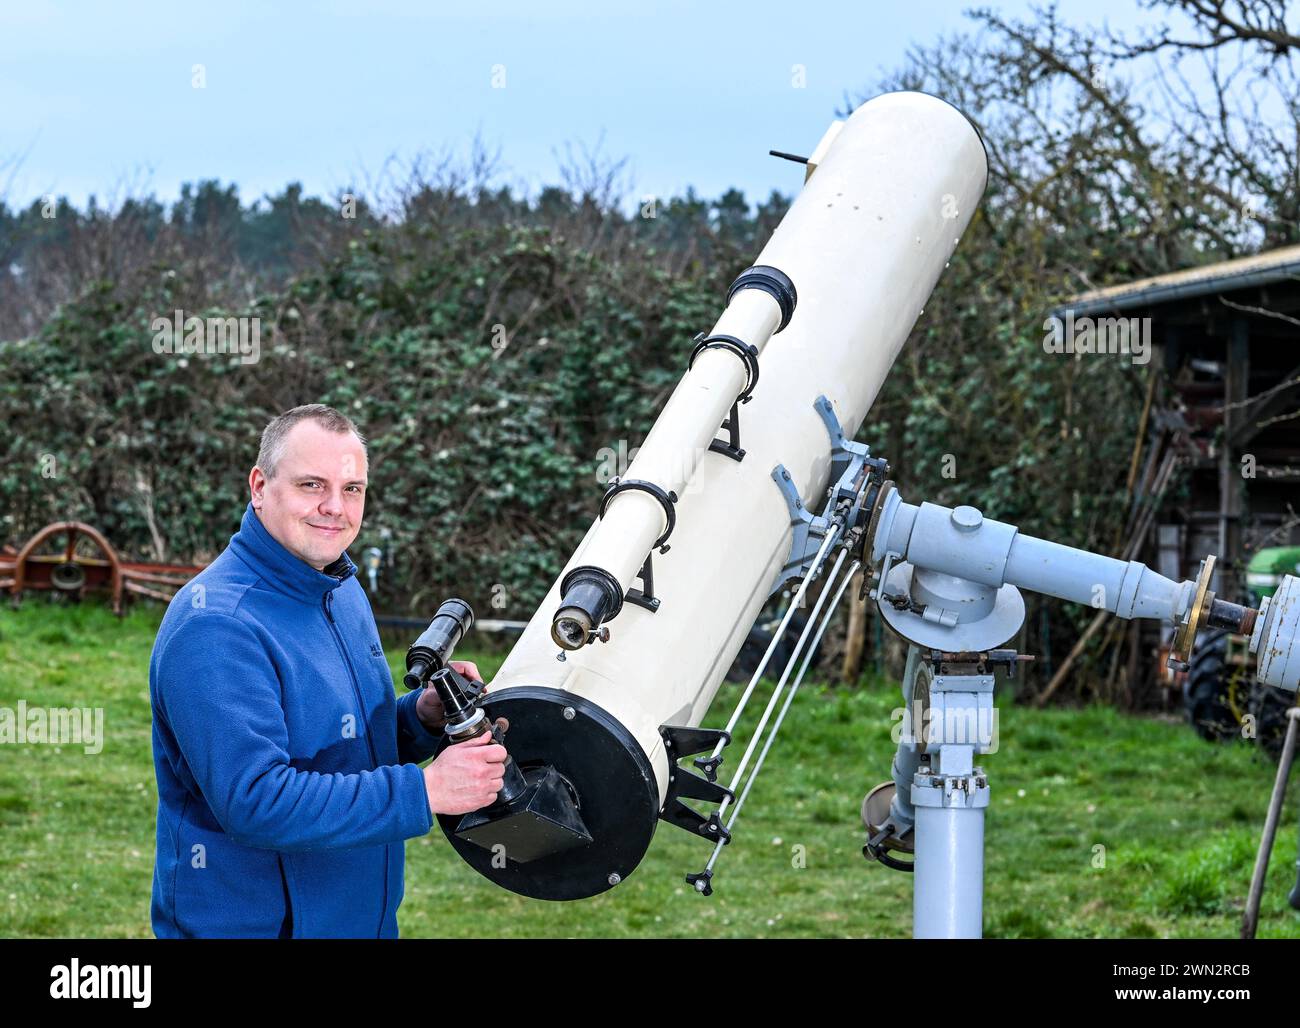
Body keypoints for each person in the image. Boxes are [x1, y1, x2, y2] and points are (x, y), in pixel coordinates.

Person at [149, 403, 506, 937]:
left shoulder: (339, 586)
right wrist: (424, 791)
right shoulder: (217, 625)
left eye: (352, 489)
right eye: (312, 485)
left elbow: (343, 745)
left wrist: (421, 718)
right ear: (260, 486)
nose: (334, 508)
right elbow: (255, 801)